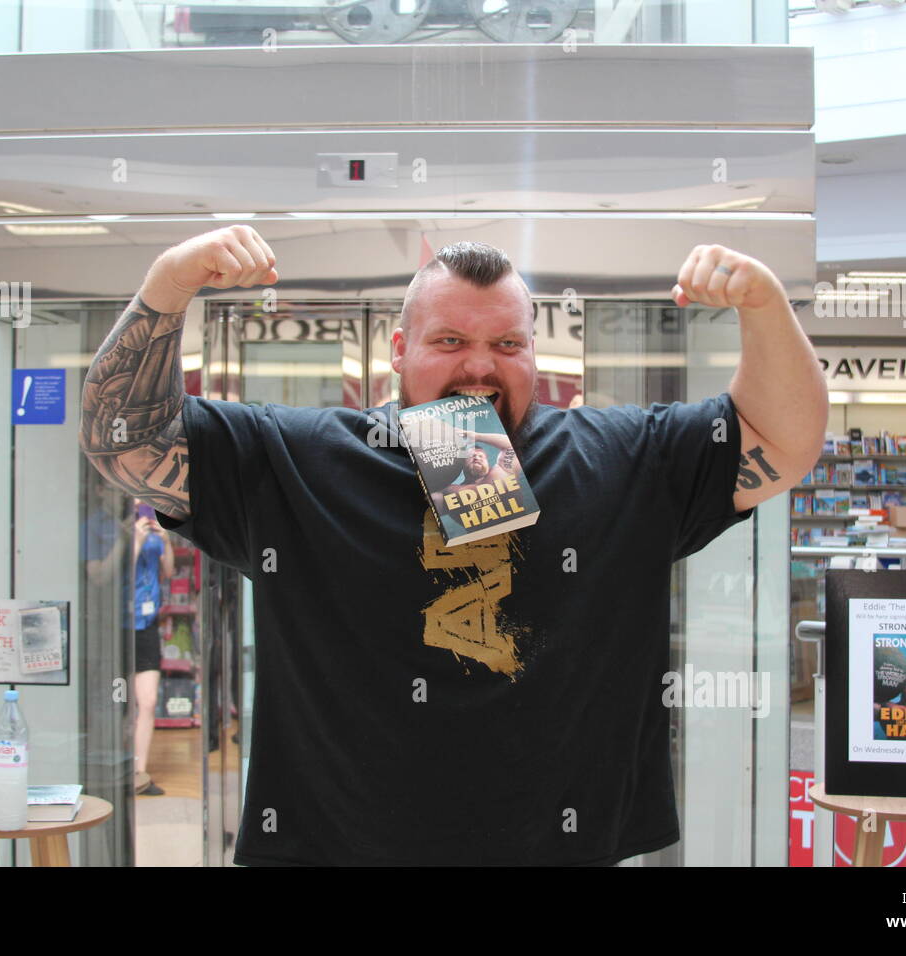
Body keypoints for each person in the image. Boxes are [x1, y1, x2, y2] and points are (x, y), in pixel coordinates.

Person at [80, 224, 828, 865]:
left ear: (533, 353)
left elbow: (782, 440)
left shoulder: (622, 458)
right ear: (399, 349)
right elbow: (126, 442)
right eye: (450, 341)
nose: (479, 364)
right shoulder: (298, 457)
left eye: (507, 343)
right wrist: (168, 285)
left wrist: (765, 307)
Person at [131, 499, 174, 796]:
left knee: (147, 701)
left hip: (148, 623)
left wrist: (166, 540)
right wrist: (135, 541)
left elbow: (167, 572)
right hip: (120, 624)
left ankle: (139, 772)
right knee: (121, 702)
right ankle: (120, 770)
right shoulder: (112, 529)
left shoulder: (153, 528)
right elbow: (108, 578)